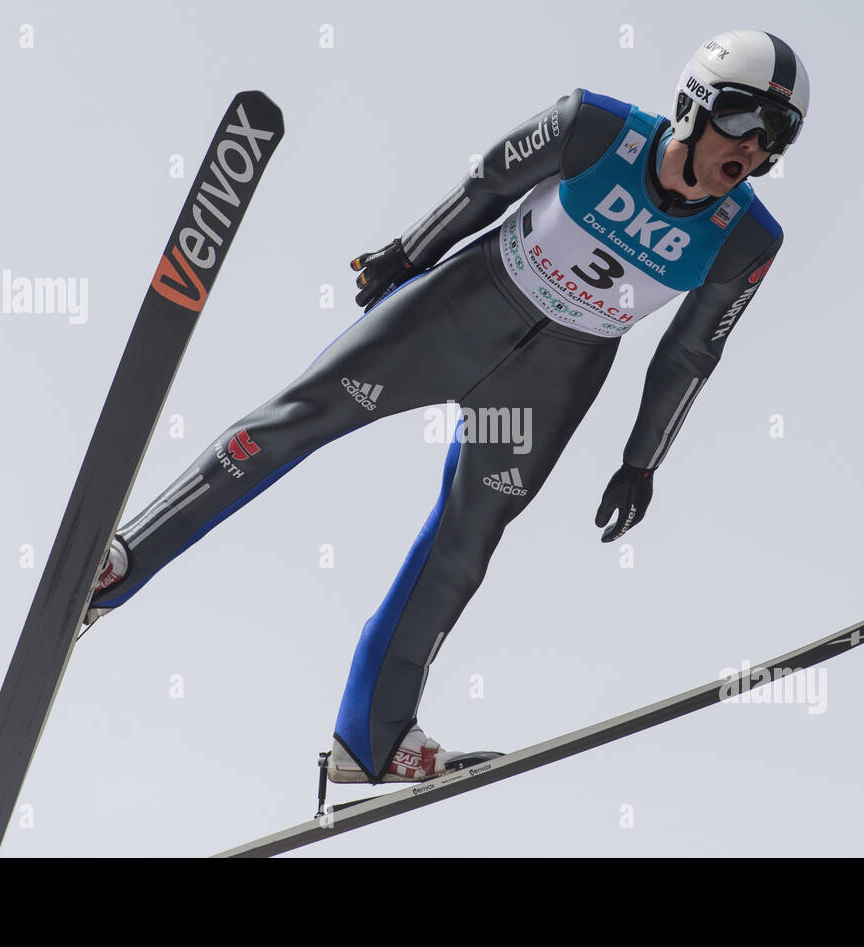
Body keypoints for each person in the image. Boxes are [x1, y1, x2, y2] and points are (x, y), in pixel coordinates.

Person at [85, 29, 810, 784]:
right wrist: (408, 252)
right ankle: (120, 562)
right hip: (458, 316)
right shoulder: (595, 127)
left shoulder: (746, 238)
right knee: (299, 417)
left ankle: (373, 739)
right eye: (741, 118)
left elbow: (690, 354)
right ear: (693, 102)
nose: (754, 147)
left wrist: (641, 460)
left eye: (775, 135)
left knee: (465, 545)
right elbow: (488, 185)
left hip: (549, 384)